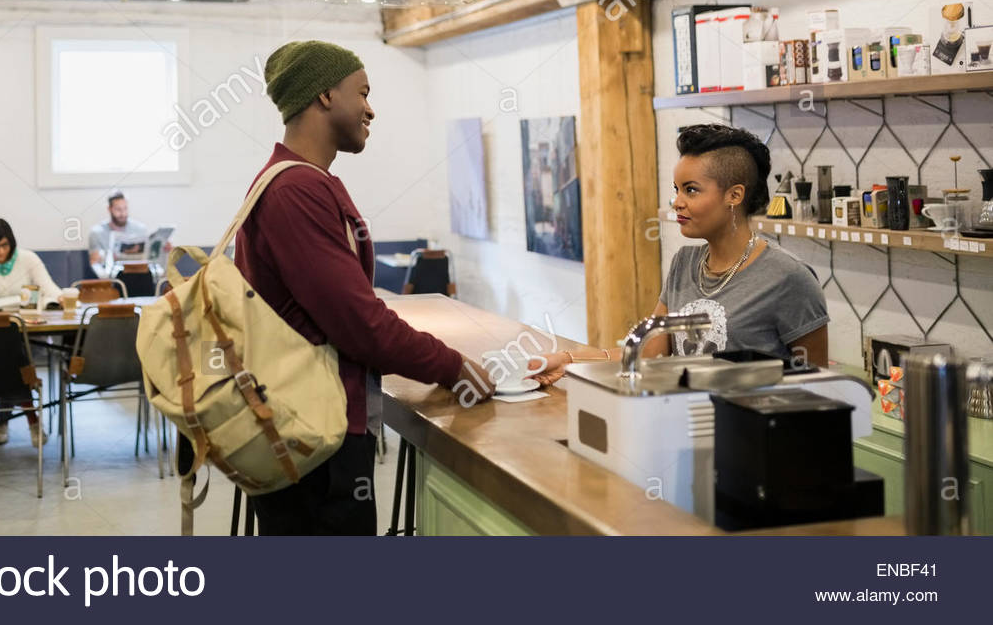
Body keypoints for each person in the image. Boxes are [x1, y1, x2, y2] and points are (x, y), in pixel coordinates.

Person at [235, 40, 494, 535]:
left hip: (305, 430)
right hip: (312, 438)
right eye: (363, 92)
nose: (370, 108)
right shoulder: (297, 191)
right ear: (325, 95)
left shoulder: (302, 181)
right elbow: (359, 324)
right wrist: (453, 367)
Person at [530, 123, 828, 385]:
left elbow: (817, 387)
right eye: (677, 189)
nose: (677, 202)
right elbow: (648, 356)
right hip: (682, 428)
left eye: (691, 190)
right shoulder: (684, 263)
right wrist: (569, 360)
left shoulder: (788, 278)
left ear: (734, 196)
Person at [0, 218, 59, 446]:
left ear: (12, 243)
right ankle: (32, 420)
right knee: (13, 361)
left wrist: (52, 303)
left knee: (13, 359)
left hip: (28, 334)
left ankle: (3, 422)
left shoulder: (28, 259)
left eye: (4, 245)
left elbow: (51, 290)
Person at [87, 192, 150, 280]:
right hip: (114, 277)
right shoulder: (97, 233)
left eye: (125, 209)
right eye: (118, 209)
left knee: (147, 274)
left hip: (140, 275)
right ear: (109, 209)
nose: (123, 213)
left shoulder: (140, 229)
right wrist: (107, 279)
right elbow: (95, 262)